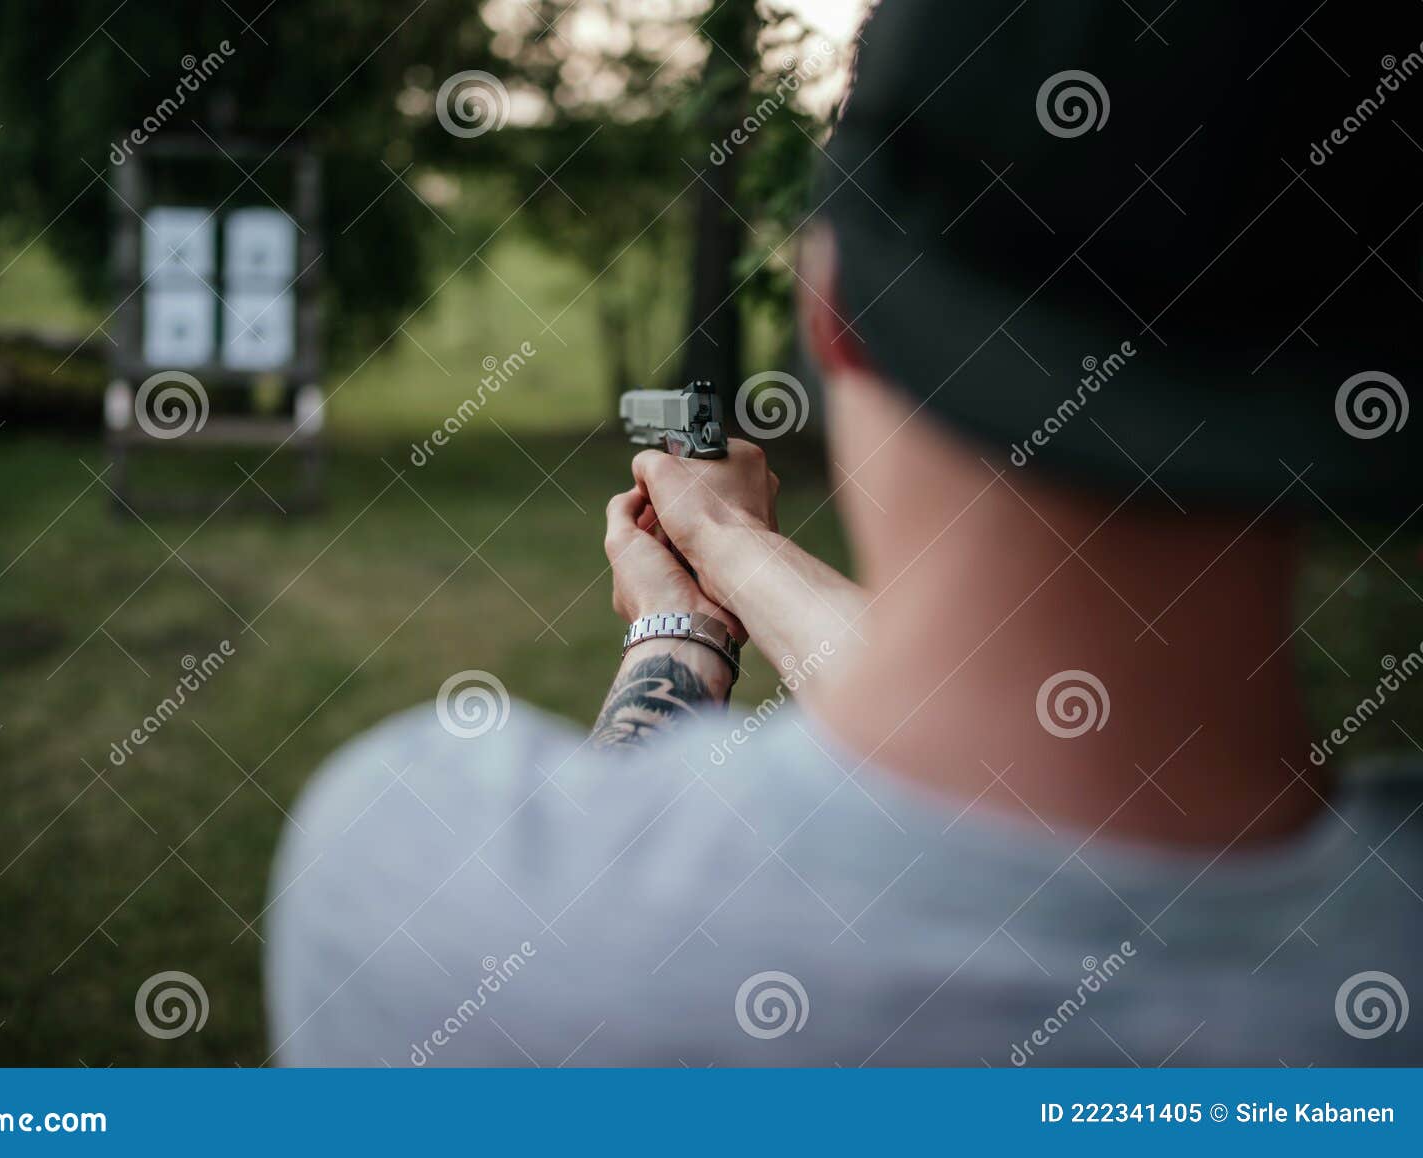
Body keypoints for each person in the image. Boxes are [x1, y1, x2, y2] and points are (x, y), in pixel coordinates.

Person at [266, 0, 1422, 1065]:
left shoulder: (422, 891)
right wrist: (726, 554)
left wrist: (675, 645)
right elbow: (982, 714)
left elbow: (629, 846)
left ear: (834, 307)